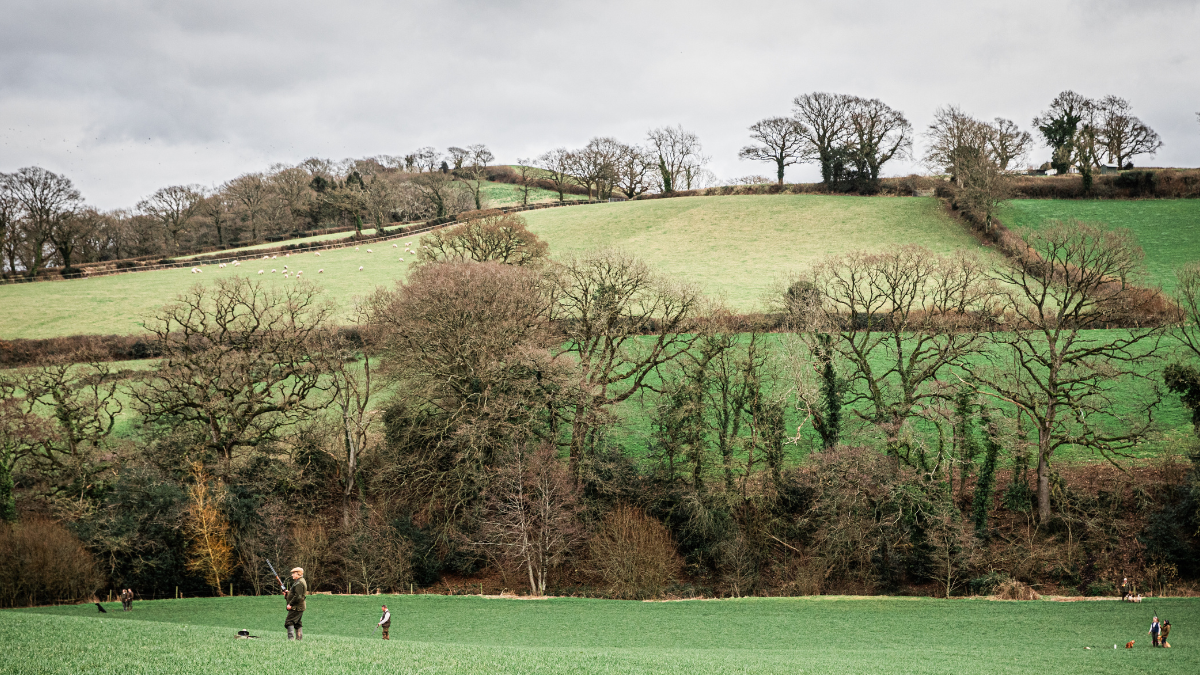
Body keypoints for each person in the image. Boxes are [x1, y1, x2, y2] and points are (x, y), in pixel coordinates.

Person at [285, 567, 307, 641]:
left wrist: (290, 604)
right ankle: (299, 640)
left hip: (296, 607)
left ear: (298, 574)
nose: (292, 575)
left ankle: (291, 640)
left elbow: (298, 596)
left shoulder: (299, 583)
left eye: (293, 573)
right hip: (298, 606)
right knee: (297, 623)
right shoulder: (299, 581)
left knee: (289, 622)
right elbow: (295, 593)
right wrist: (287, 593)